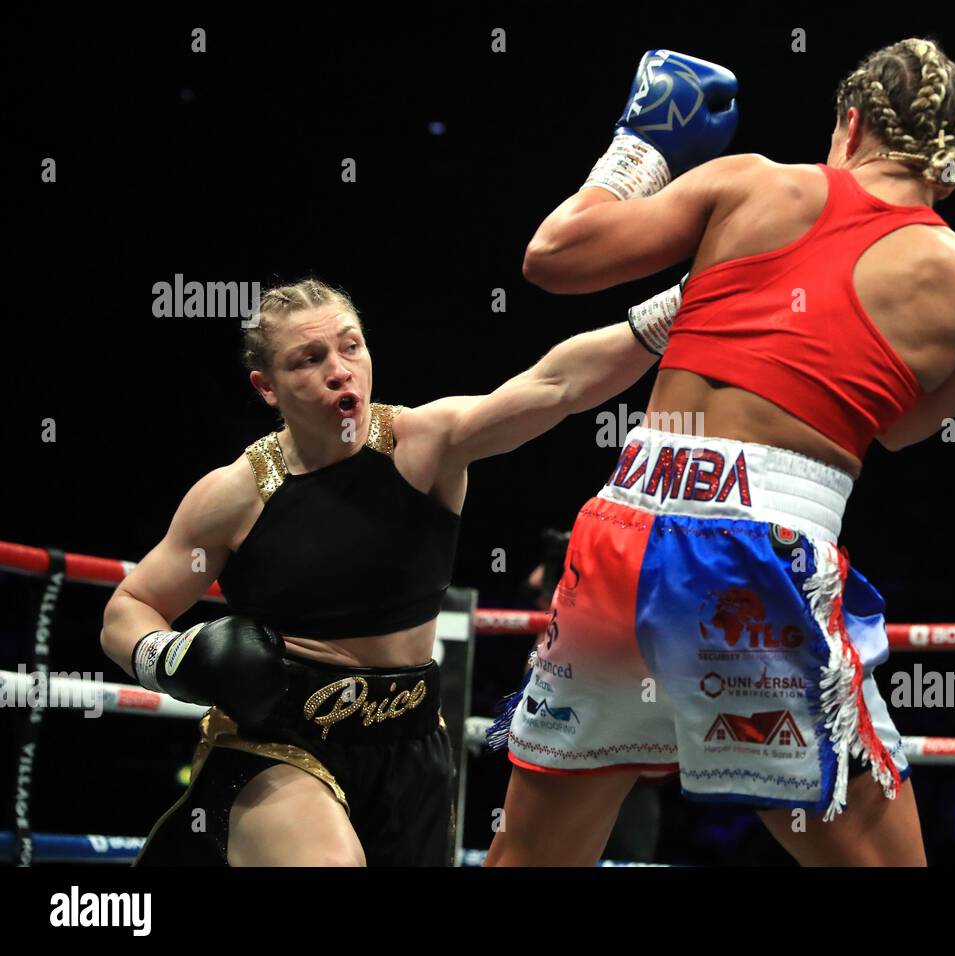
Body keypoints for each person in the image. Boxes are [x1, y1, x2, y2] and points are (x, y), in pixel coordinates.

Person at [486, 39, 955, 866]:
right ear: (951, 172)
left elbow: (552, 258)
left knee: (531, 857)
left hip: (622, 531)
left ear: (849, 123)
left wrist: (642, 148)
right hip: (758, 553)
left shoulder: (751, 182)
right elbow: (903, 428)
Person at [100, 276, 672, 865]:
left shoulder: (425, 446)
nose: (340, 369)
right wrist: (170, 657)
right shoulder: (236, 494)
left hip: (414, 744)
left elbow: (558, 385)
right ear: (266, 387)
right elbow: (127, 607)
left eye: (351, 346)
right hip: (281, 742)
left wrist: (677, 308)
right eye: (310, 359)